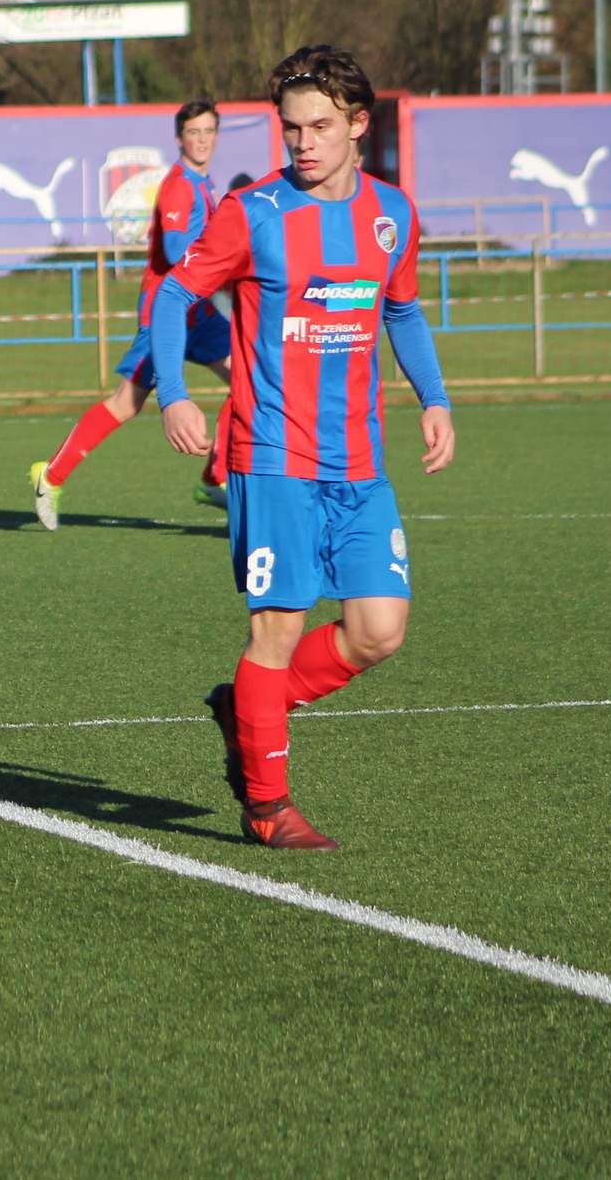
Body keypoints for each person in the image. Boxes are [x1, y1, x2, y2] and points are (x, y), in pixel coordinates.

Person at [151, 45, 454, 849]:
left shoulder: (393, 215)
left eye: (319, 126)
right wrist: (174, 392)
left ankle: (247, 709)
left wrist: (435, 398)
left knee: (379, 629)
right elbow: (175, 295)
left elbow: (401, 310)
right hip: (272, 455)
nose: (303, 142)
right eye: (291, 128)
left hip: (360, 461)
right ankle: (267, 806)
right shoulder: (252, 212)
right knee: (276, 633)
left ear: (358, 125)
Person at [30, 99, 235, 529]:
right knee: (126, 404)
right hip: (168, 312)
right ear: (179, 138)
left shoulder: (204, 183)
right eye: (193, 132)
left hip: (199, 312)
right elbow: (176, 252)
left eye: (208, 131)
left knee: (252, 379)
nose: (201, 140)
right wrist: (225, 263)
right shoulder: (179, 185)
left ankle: (213, 478)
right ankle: (50, 476)